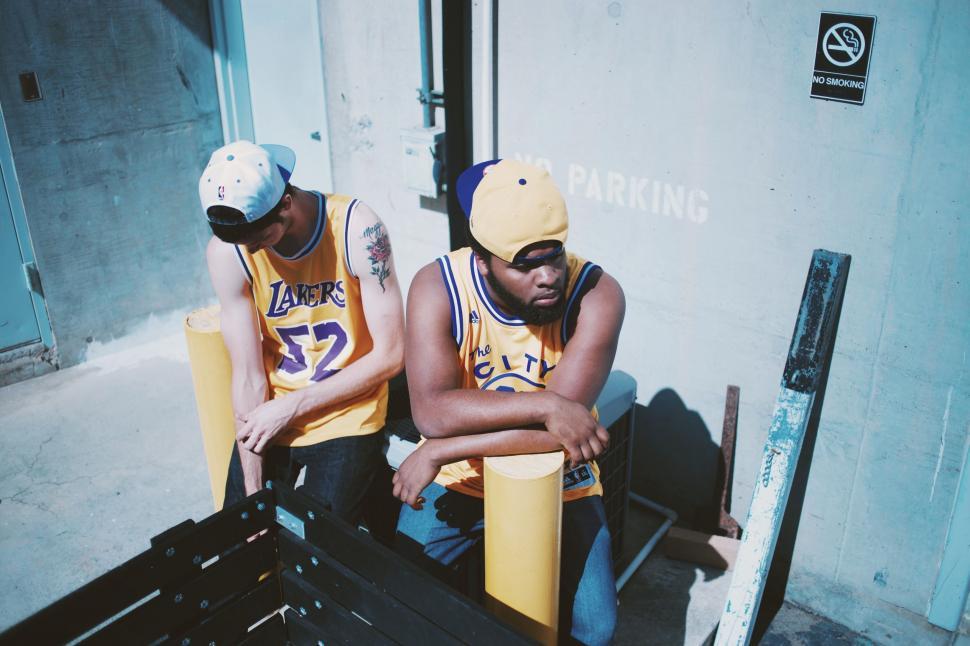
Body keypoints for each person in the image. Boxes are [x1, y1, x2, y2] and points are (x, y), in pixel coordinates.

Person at [393, 159, 625, 645]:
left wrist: (440, 450)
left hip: (559, 474)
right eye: (525, 265)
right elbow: (432, 413)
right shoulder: (438, 287)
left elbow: (559, 435)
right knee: (407, 602)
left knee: (596, 630)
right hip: (462, 481)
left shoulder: (597, 295)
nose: (548, 277)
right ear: (483, 260)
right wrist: (545, 406)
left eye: (554, 256)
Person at [199, 140, 404, 525]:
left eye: (260, 239)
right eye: (241, 242)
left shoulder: (358, 229)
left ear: (287, 203)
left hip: (348, 407)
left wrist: (292, 406)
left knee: (315, 545)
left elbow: (391, 355)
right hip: (271, 407)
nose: (252, 250)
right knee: (237, 535)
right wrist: (254, 493)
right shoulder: (230, 251)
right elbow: (247, 375)